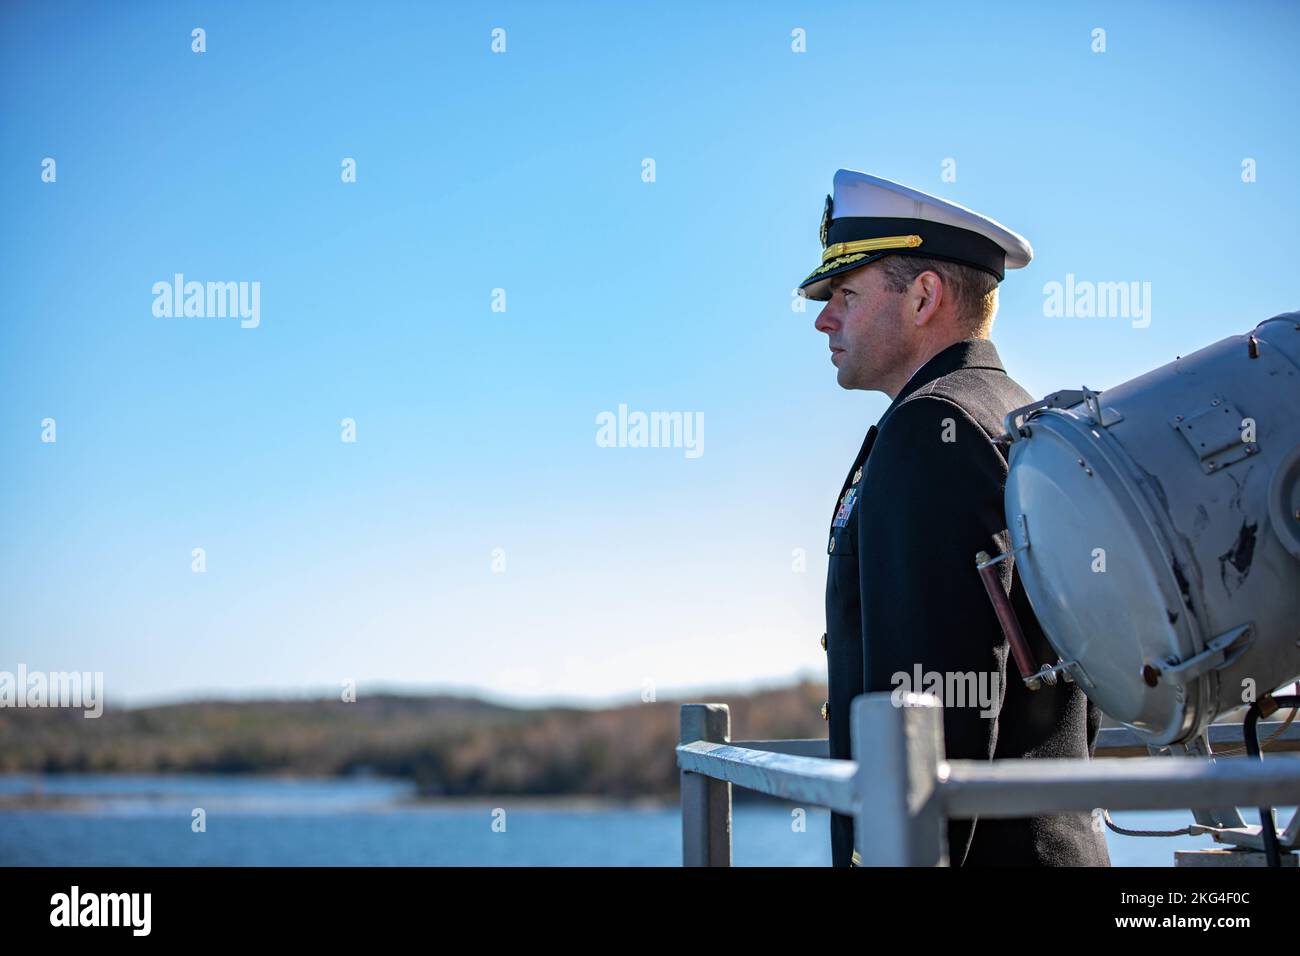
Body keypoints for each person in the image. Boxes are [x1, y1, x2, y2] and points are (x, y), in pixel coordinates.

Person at [799, 169, 1111, 867]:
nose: (824, 317)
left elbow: (931, 715)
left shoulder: (930, 429)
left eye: (846, 294)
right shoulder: (1017, 414)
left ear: (924, 297)